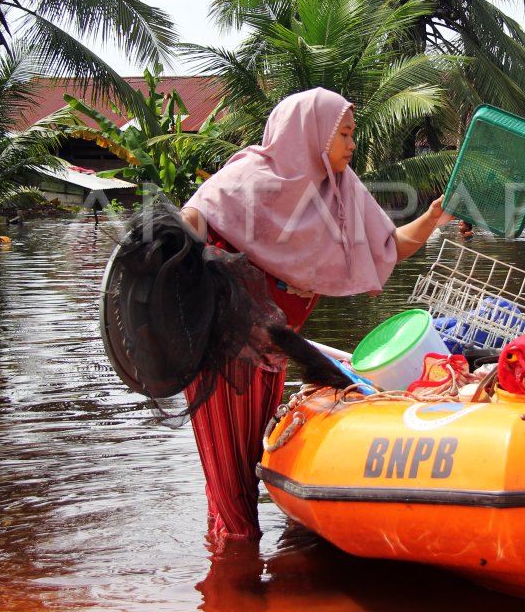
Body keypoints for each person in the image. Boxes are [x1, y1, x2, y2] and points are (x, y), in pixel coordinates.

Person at [179, 87, 453, 541]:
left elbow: (389, 247)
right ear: (311, 133)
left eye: (352, 134)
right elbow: (194, 219)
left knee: (248, 468)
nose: (352, 144)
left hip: (274, 352)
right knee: (230, 480)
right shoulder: (248, 177)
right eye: (343, 134)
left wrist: (430, 218)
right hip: (223, 355)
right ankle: (234, 562)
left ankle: (232, 560)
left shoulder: (341, 191)